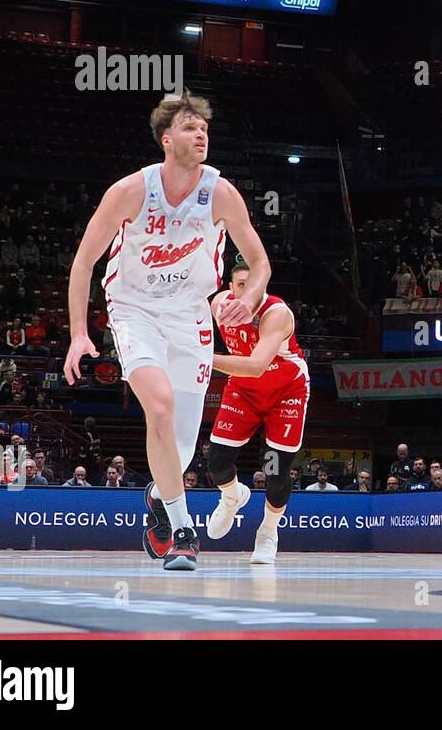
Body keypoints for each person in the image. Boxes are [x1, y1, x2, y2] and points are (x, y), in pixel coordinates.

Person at [63, 90, 271, 571]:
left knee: (177, 447)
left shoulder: (220, 192)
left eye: (205, 128)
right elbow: (83, 262)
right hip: (136, 310)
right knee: (158, 404)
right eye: (190, 127)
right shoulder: (130, 191)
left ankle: (160, 497)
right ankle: (183, 530)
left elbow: (258, 263)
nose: (201, 134)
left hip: (191, 315)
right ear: (166, 139)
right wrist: (79, 332)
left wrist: (248, 297)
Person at [201, 261, 310, 565]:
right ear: (230, 288)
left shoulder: (275, 315)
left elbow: (255, 365)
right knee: (217, 461)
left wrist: (201, 358)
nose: (245, 291)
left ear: (261, 286)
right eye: (239, 285)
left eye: (252, 285)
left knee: (275, 470)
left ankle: (268, 532)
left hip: (285, 390)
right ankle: (232, 495)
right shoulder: (219, 305)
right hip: (244, 390)